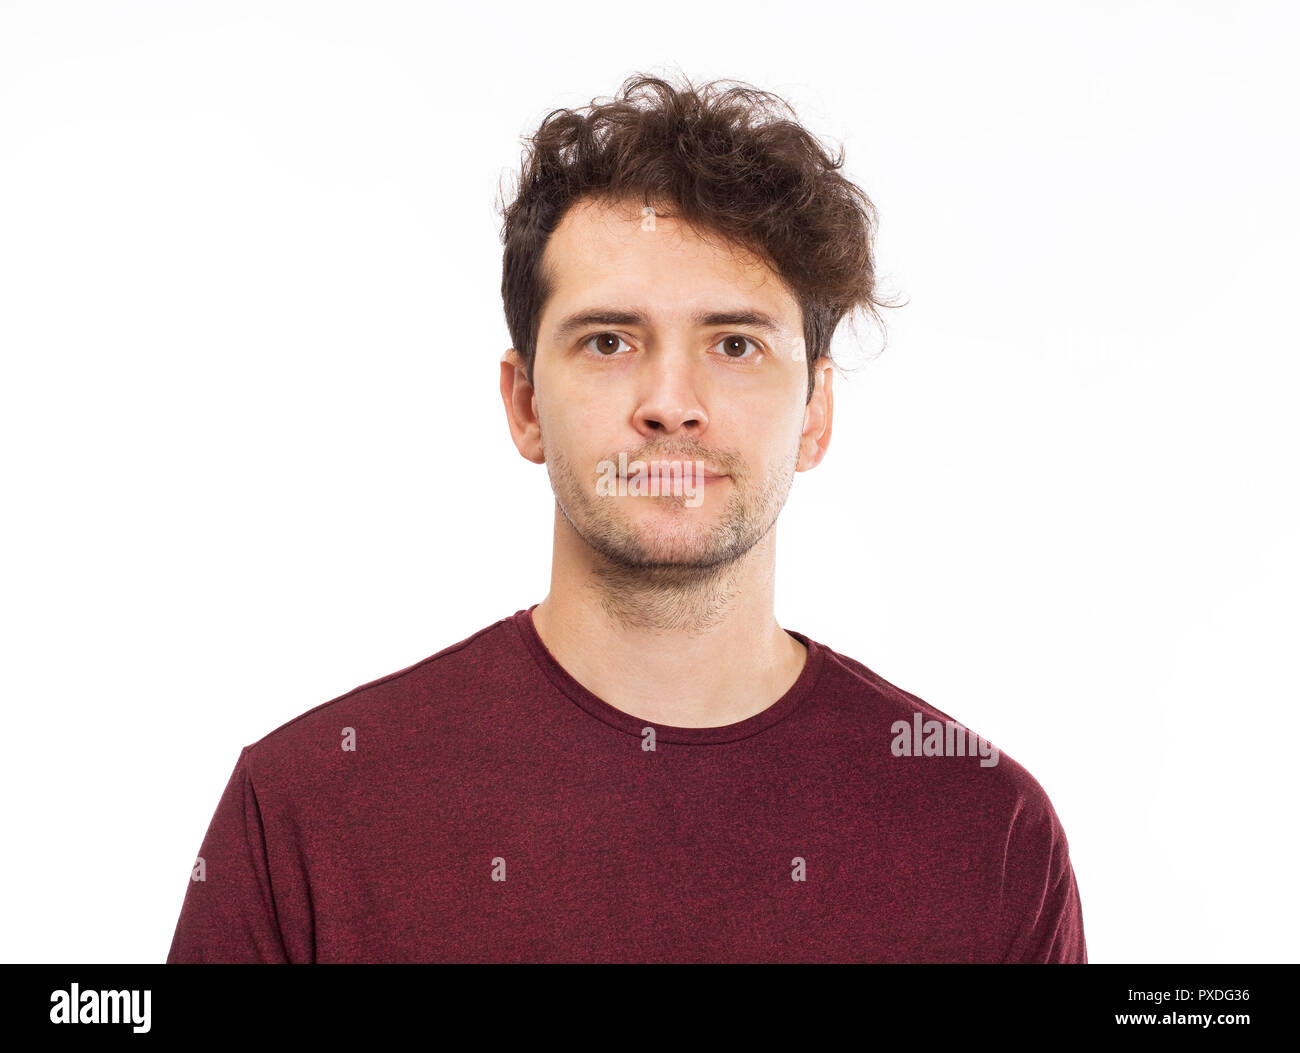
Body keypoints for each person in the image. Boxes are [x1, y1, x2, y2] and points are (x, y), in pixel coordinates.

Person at [167, 72, 1086, 963]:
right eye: (610, 340)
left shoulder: (988, 836)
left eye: (735, 344)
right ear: (525, 403)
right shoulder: (305, 810)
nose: (670, 402)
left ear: (815, 414)